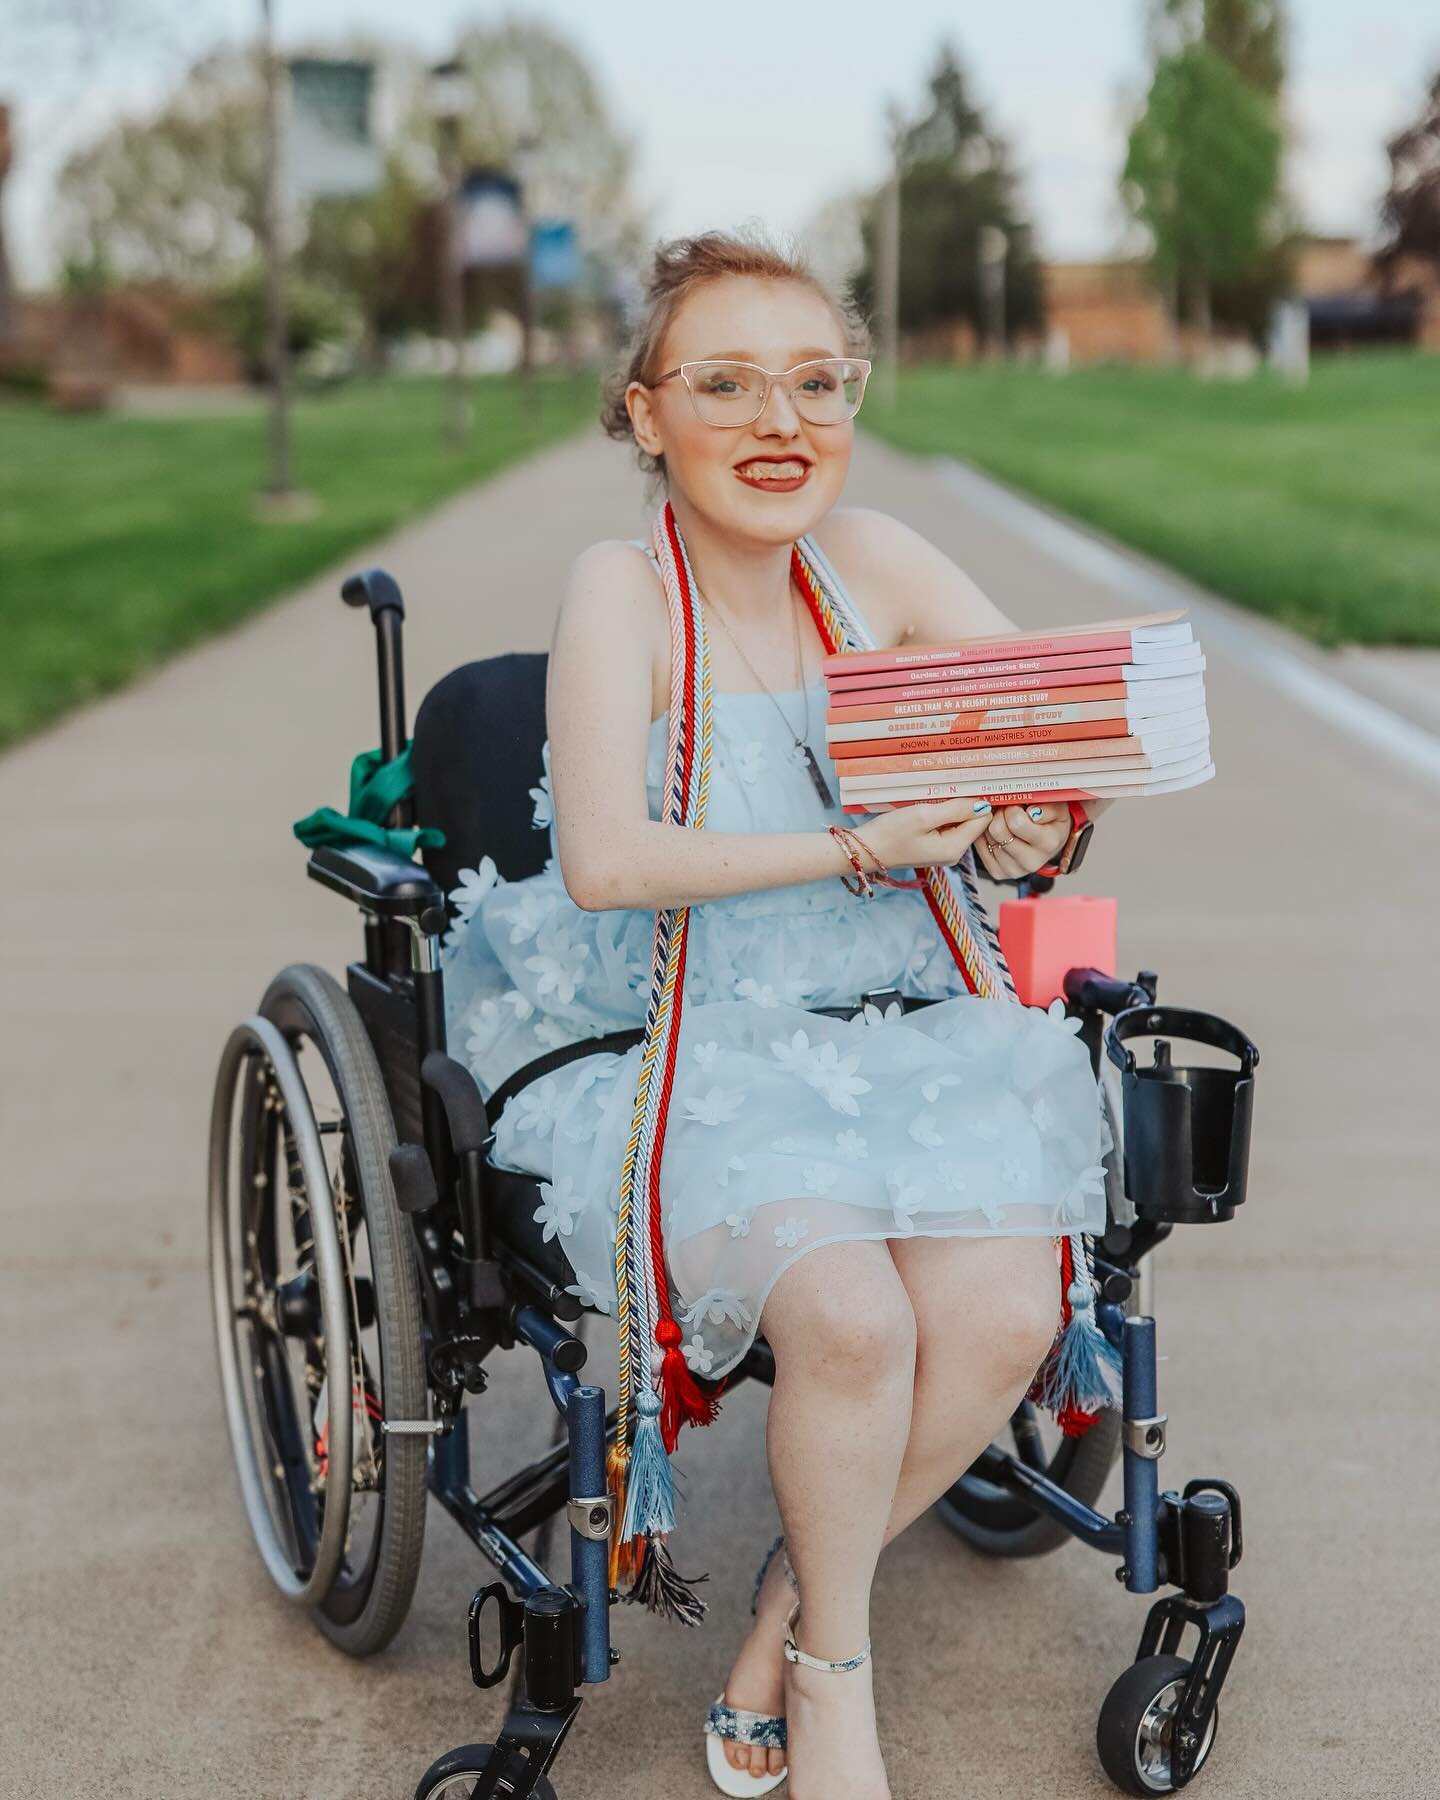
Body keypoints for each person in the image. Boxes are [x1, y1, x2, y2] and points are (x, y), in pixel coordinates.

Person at [440, 226, 1114, 1800]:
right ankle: (838, 1696)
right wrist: (863, 844)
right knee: (858, 1322)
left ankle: (783, 1625)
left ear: (857, 398)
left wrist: (1031, 824)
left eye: (817, 381)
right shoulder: (623, 591)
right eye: (726, 383)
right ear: (643, 414)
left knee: (1009, 1319)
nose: (779, 421)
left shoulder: (877, 567)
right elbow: (608, 862)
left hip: (901, 1019)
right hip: (691, 1038)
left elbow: (1057, 733)